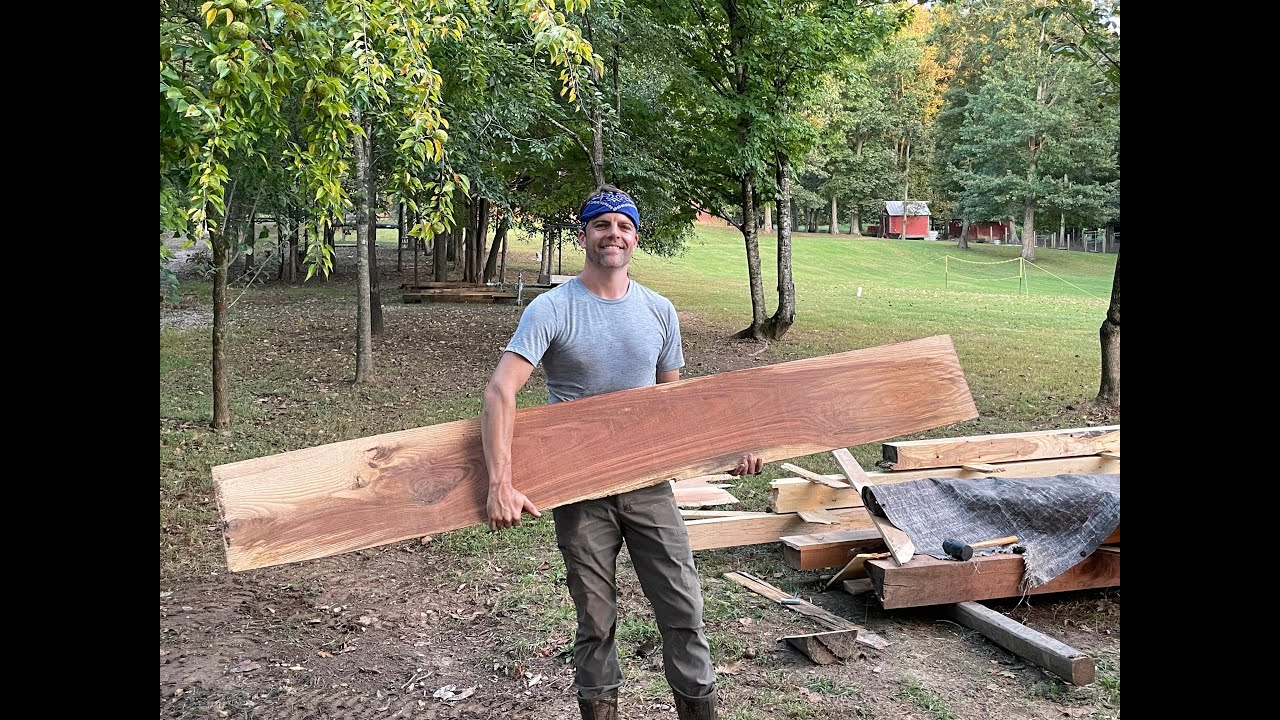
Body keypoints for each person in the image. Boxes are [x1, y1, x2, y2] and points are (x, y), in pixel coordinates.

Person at [480, 185, 762, 720]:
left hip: (649, 485)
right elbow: (500, 391)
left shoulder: (658, 310)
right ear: (583, 234)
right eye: (602, 224)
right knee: (595, 619)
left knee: (683, 609)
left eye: (624, 225)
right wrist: (501, 482)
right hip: (581, 490)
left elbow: (672, 407)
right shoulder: (553, 308)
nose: (614, 234)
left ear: (636, 237)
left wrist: (728, 449)